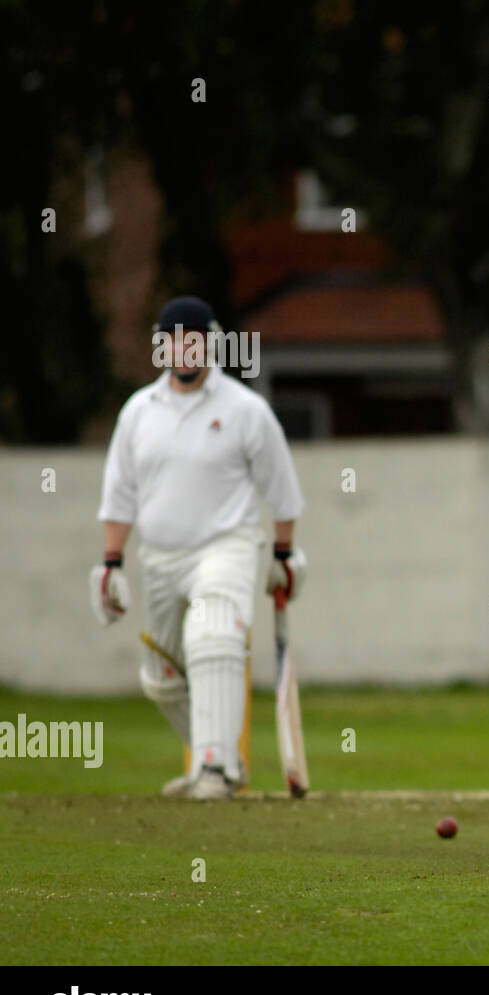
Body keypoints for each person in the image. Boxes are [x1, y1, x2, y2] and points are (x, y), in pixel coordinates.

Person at [91, 296, 306, 799]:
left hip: (225, 547)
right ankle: (216, 755)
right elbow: (119, 495)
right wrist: (110, 563)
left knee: (212, 635)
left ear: (212, 344)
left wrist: (282, 556)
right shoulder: (138, 412)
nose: (184, 349)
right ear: (160, 347)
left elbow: (283, 492)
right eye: (173, 340)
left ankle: (214, 770)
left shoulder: (245, 411)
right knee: (161, 675)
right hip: (160, 556)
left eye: (194, 339)